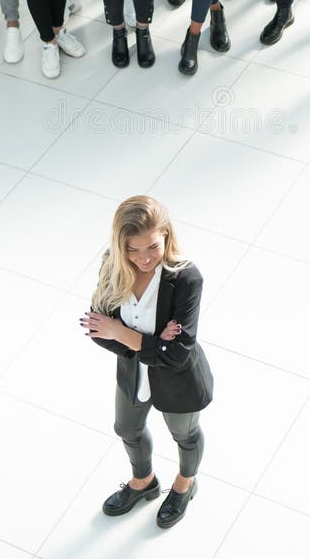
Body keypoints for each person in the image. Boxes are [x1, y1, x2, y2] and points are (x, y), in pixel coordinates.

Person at [80, 195, 213, 529]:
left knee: (185, 434)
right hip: (133, 371)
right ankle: (144, 482)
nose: (143, 258)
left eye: (152, 247)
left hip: (179, 377)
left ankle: (185, 483)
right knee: (127, 428)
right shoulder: (112, 264)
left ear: (166, 236)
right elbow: (98, 330)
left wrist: (121, 331)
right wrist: (153, 343)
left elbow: (179, 353)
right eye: (133, 249)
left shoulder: (186, 278)